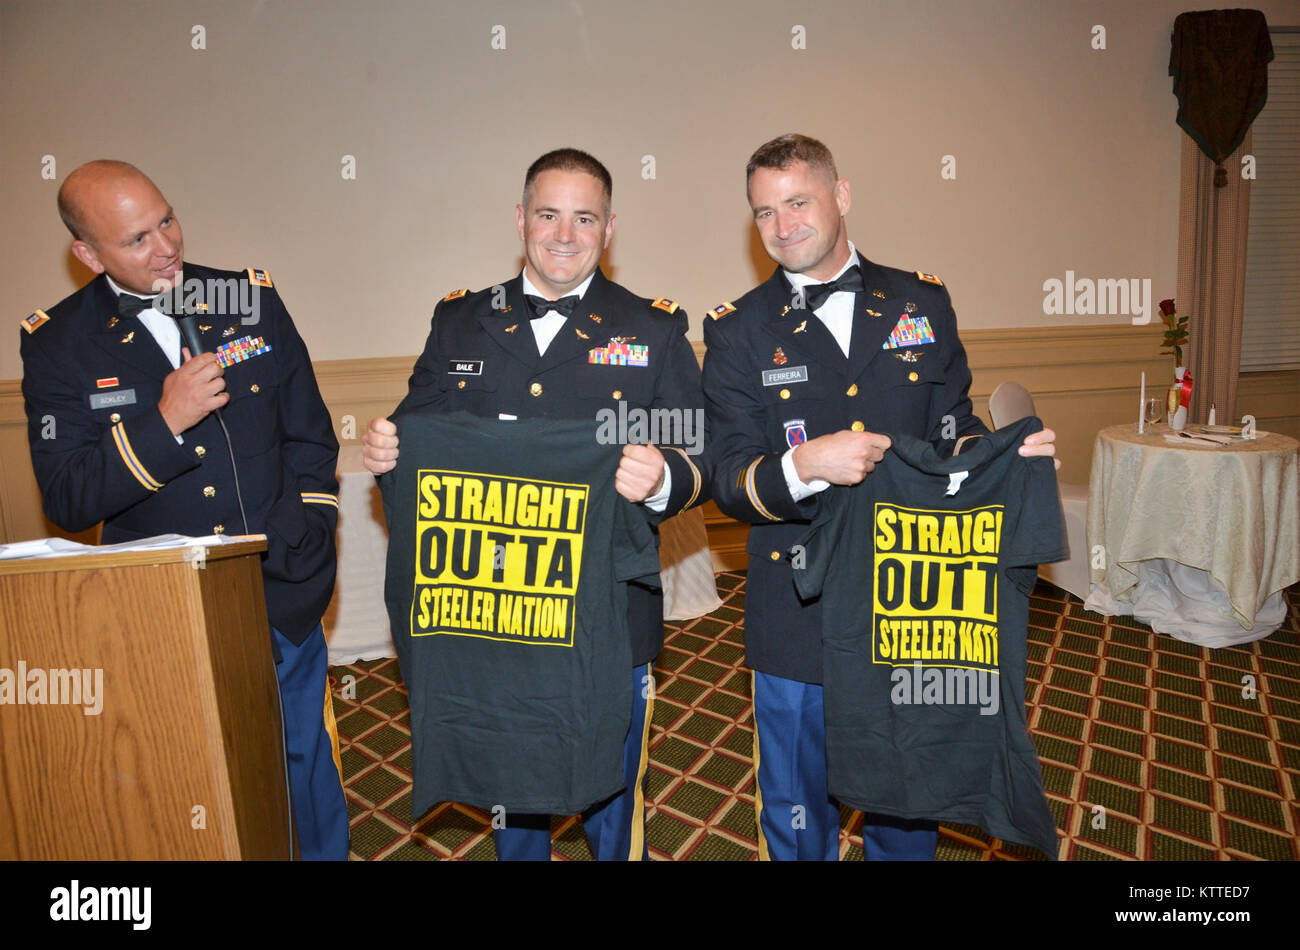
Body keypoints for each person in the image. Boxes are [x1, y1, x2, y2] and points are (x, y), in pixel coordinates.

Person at [701, 134, 1059, 861]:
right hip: (796, 605)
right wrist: (803, 464)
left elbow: (951, 424)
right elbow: (727, 478)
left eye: (797, 201)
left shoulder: (921, 300)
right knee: (797, 804)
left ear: (842, 196)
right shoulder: (735, 330)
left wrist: (999, 452)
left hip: (909, 598)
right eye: (764, 212)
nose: (783, 225)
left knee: (906, 793)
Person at [362, 148, 708, 860]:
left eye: (585, 218)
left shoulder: (654, 329)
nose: (564, 234)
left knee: (613, 793)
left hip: (607, 615)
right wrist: (386, 455)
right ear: (521, 219)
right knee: (509, 793)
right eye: (548, 214)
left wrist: (663, 474)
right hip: (496, 613)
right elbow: (416, 440)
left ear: (610, 228)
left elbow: (702, 456)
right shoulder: (460, 321)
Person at [20, 160, 348, 860]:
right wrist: (164, 422)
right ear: (88, 254)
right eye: (137, 239)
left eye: (166, 220)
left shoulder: (245, 297)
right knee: (192, 774)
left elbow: (311, 436)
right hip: (161, 608)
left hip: (280, 582)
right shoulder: (58, 343)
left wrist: (312, 529)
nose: (166, 246)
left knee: (298, 759)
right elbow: (69, 498)